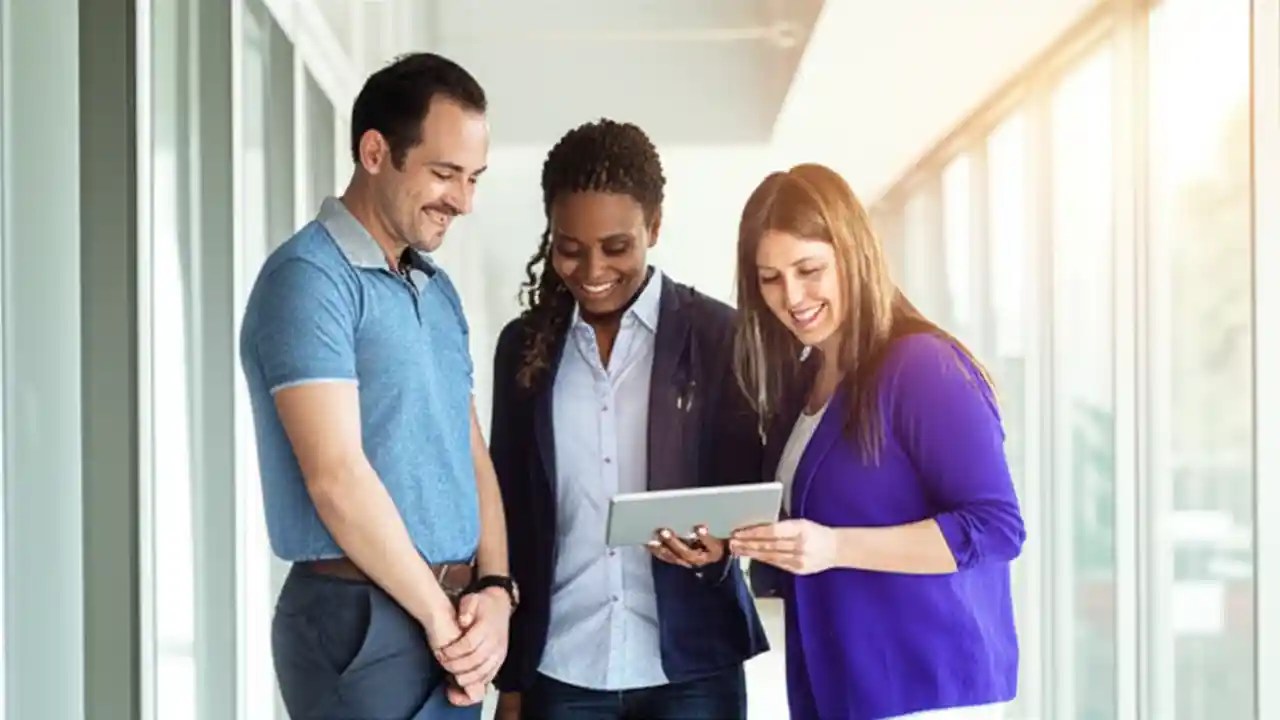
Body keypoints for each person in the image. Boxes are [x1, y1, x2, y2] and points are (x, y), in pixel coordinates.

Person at [239, 52, 517, 719]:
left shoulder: (436, 289)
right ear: (374, 151)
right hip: (362, 617)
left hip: (446, 618)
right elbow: (335, 476)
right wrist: (439, 617)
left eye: (473, 178)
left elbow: (469, 451)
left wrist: (498, 590)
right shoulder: (310, 281)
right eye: (445, 173)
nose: (464, 200)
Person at [487, 118, 769, 720]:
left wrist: (723, 544)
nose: (592, 269)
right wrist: (511, 683)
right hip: (561, 666)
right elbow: (508, 506)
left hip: (693, 666)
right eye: (569, 247)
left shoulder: (722, 336)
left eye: (616, 247)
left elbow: (753, 487)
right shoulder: (524, 348)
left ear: (655, 227)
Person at [726, 163, 1026, 720]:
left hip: (924, 689)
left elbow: (996, 527)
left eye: (808, 269)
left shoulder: (922, 365)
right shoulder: (805, 379)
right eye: (770, 278)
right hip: (841, 686)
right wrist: (727, 541)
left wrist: (835, 546)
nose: (791, 296)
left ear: (853, 253)